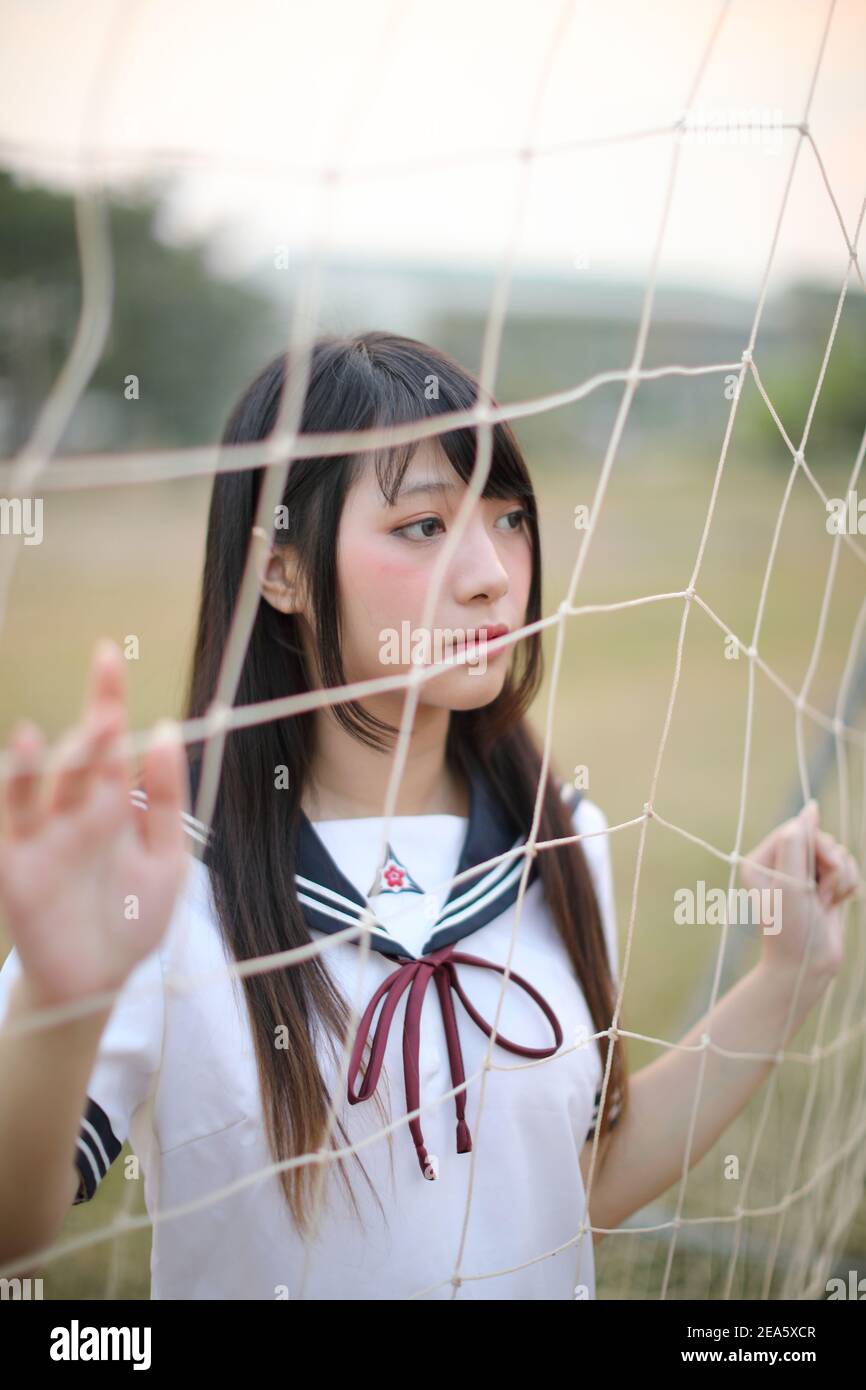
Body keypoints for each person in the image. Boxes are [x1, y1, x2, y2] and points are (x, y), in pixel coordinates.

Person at [0, 333, 859, 1300]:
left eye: (510, 518)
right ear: (279, 572)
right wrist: (54, 1008)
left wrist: (788, 979)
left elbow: (562, 1192)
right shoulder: (162, 866)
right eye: (423, 526)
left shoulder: (558, 835)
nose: (493, 573)